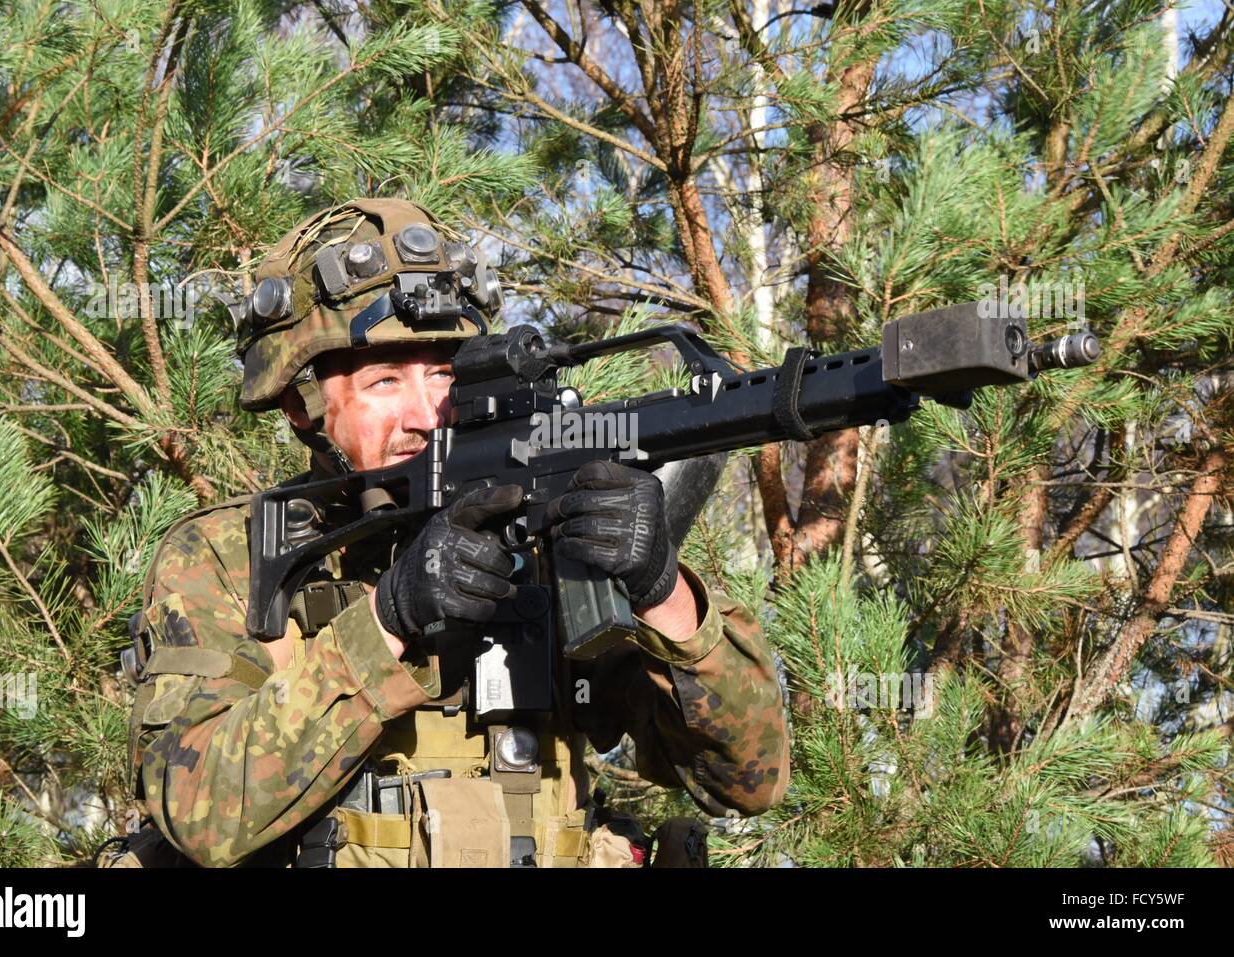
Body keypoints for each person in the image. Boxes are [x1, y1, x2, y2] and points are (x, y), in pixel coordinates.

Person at [116, 198, 788, 868]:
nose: (423, 415)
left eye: (442, 373)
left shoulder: (543, 535)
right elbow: (197, 809)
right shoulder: (231, 553)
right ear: (302, 405)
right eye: (384, 380)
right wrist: (389, 617)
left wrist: (661, 594)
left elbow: (747, 781)